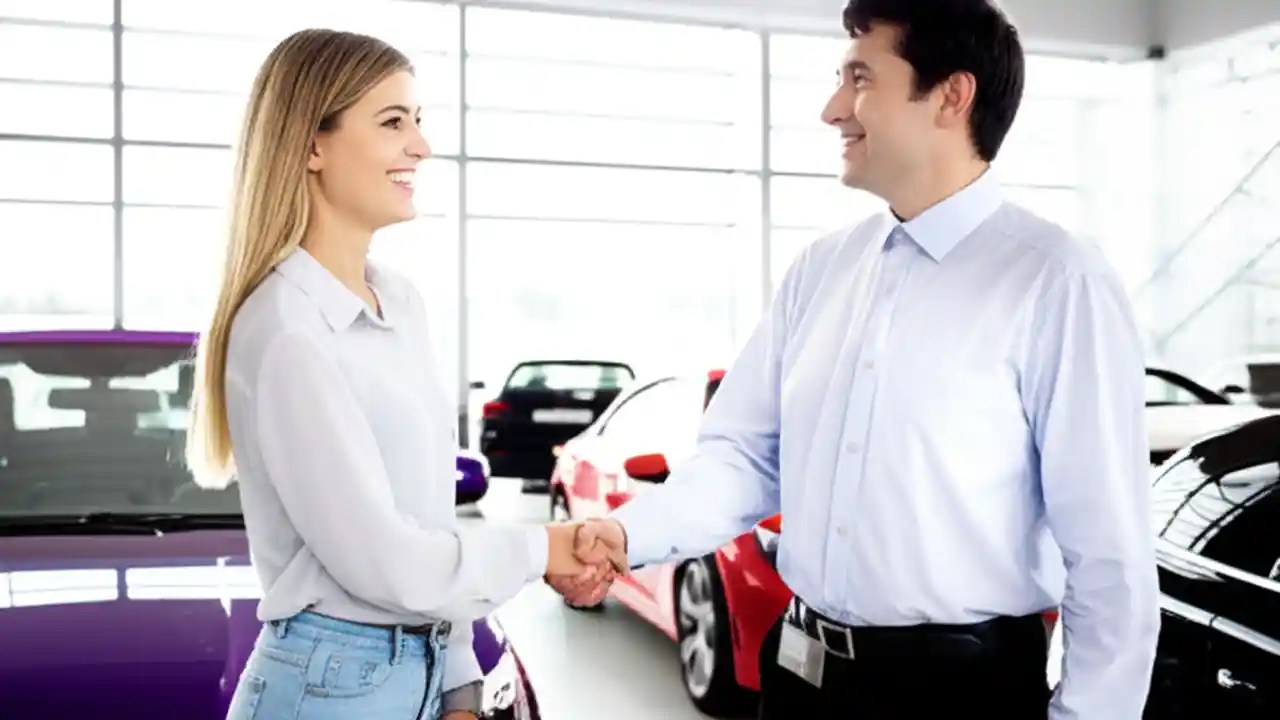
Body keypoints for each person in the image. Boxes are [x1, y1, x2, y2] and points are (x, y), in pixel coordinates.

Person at [552, 0, 1161, 717]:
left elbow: (1109, 551)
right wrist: (628, 534)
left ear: (951, 96)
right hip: (802, 671)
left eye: (860, 78)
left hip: (957, 694)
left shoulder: (1057, 279)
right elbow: (745, 458)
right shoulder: (822, 269)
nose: (833, 108)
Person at [183, 29, 611, 720]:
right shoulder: (287, 330)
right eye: (392, 122)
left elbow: (424, 522)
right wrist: (549, 546)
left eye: (418, 120)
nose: (421, 145)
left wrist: (460, 680)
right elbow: (383, 563)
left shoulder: (399, 303)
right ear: (311, 146)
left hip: (419, 664)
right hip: (328, 688)